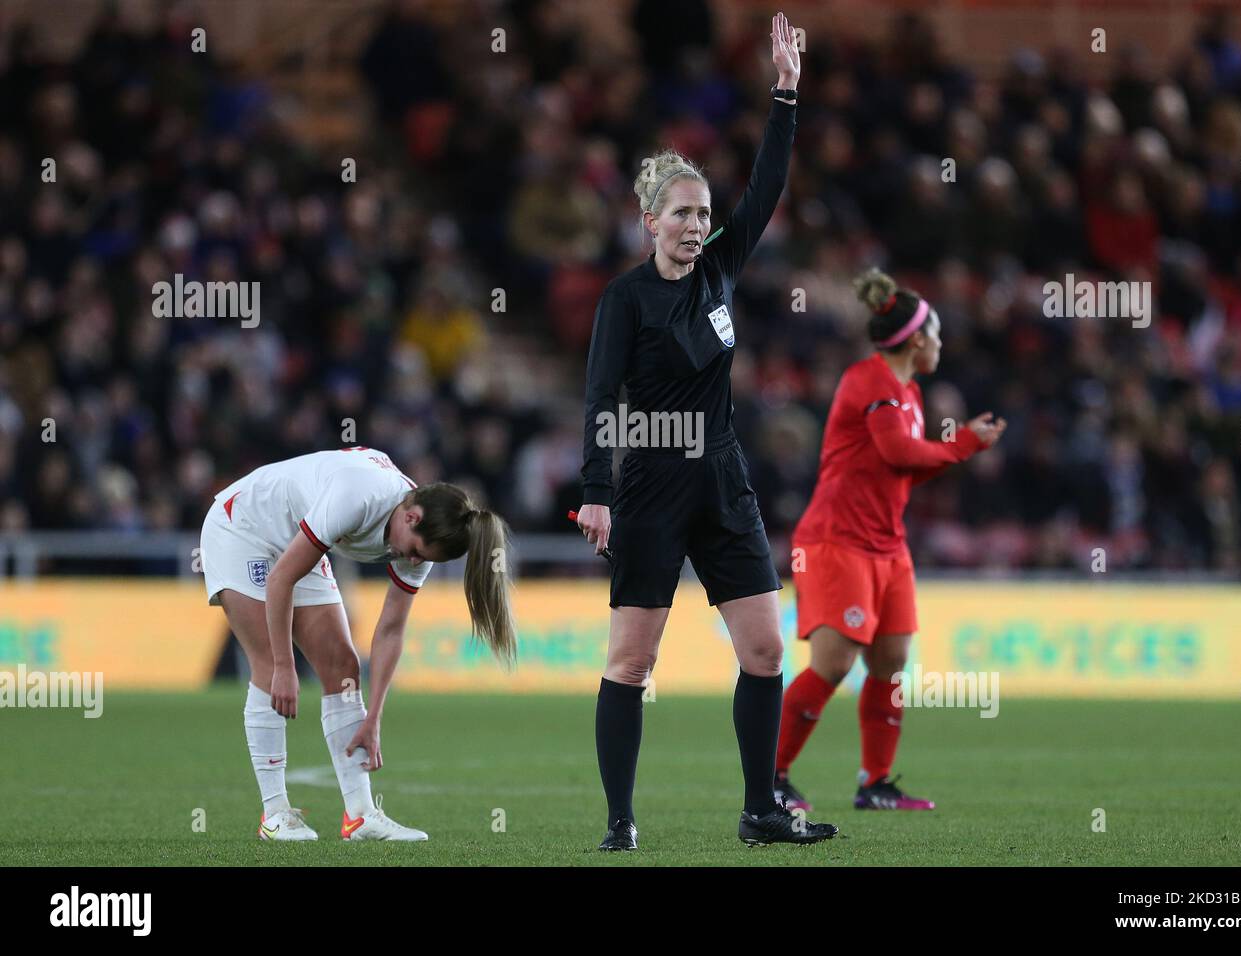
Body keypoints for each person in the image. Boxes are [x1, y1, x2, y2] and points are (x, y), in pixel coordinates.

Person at [575, 13, 837, 850]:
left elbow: (767, 186)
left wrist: (785, 94)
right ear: (649, 220)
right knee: (631, 664)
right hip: (651, 486)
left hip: (722, 480)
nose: (695, 225)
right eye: (680, 214)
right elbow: (599, 397)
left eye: (702, 214)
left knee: (765, 652)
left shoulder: (720, 268)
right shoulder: (624, 300)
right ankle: (620, 823)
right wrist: (596, 492)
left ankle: (761, 810)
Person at [774, 268, 1006, 813]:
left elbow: (902, 467)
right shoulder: (869, 379)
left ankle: (874, 783)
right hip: (839, 538)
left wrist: (958, 448)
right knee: (833, 664)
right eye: (939, 335)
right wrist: (966, 443)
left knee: (891, 662)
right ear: (919, 340)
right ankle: (772, 777)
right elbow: (900, 452)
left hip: (887, 544)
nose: (943, 345)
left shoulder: (908, 391)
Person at [199, 447, 516, 840]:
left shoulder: (421, 537)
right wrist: (285, 665)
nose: (413, 562)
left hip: (296, 538)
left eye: (422, 559)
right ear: (410, 516)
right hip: (243, 527)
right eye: (416, 551)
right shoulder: (358, 497)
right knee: (267, 667)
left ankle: (360, 816)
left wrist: (374, 716)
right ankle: (275, 814)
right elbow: (281, 579)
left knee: (343, 669)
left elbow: (391, 629)